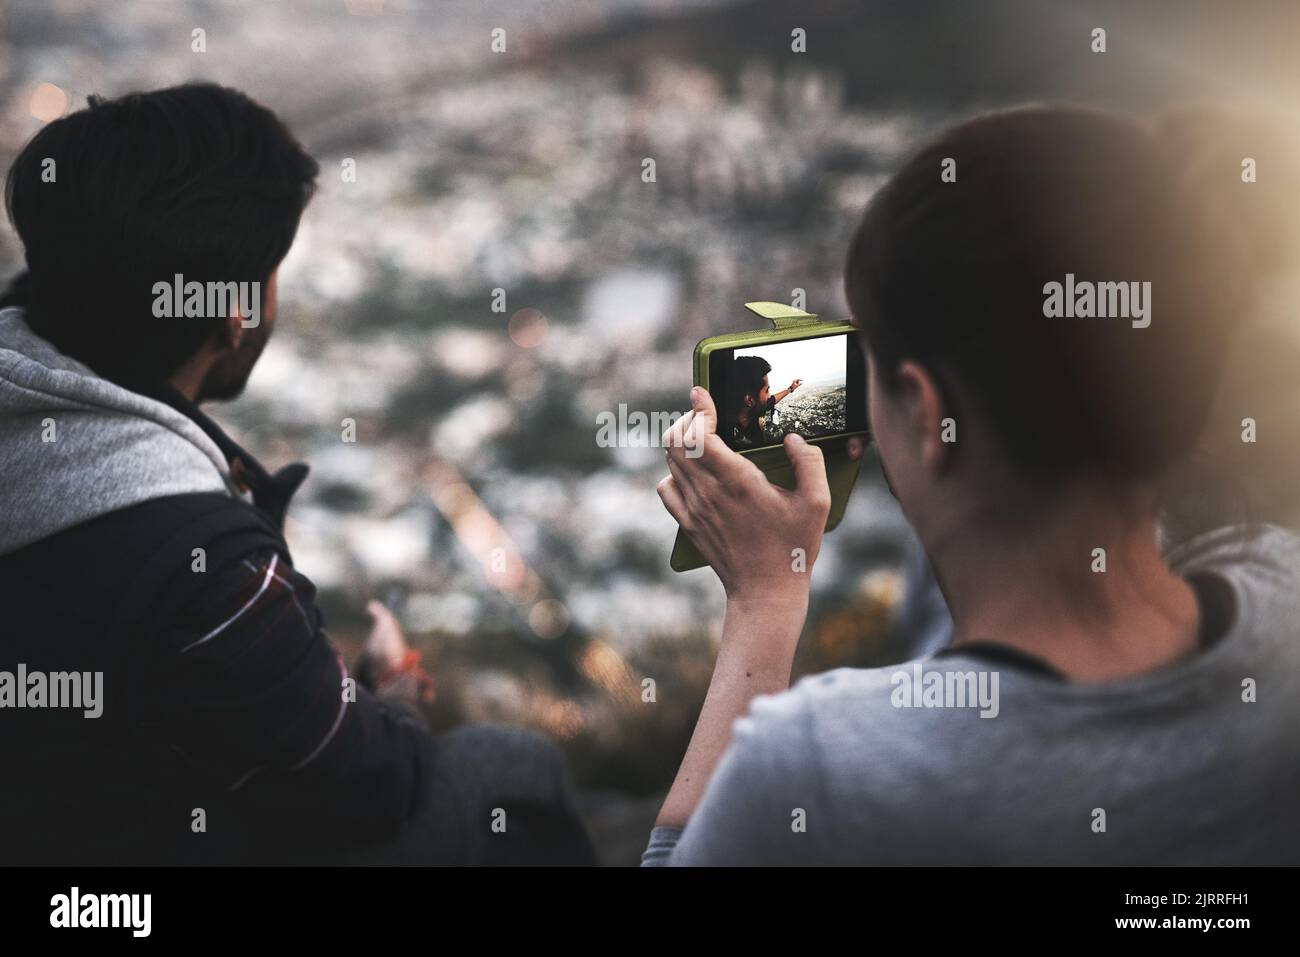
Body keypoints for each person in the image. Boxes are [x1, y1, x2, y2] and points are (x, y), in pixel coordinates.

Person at [645, 106, 1300, 865]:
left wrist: (765, 600)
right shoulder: (1281, 585)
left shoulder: (820, 769)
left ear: (926, 411)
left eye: (873, 361)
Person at [0, 83, 593, 865]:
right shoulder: (201, 564)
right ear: (235, 312)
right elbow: (367, 781)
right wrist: (397, 703)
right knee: (518, 769)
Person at [726, 354, 801, 448]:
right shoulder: (735, 440)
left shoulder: (754, 408)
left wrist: (790, 389)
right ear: (749, 400)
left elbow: (772, 400)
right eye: (766, 391)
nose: (769, 395)